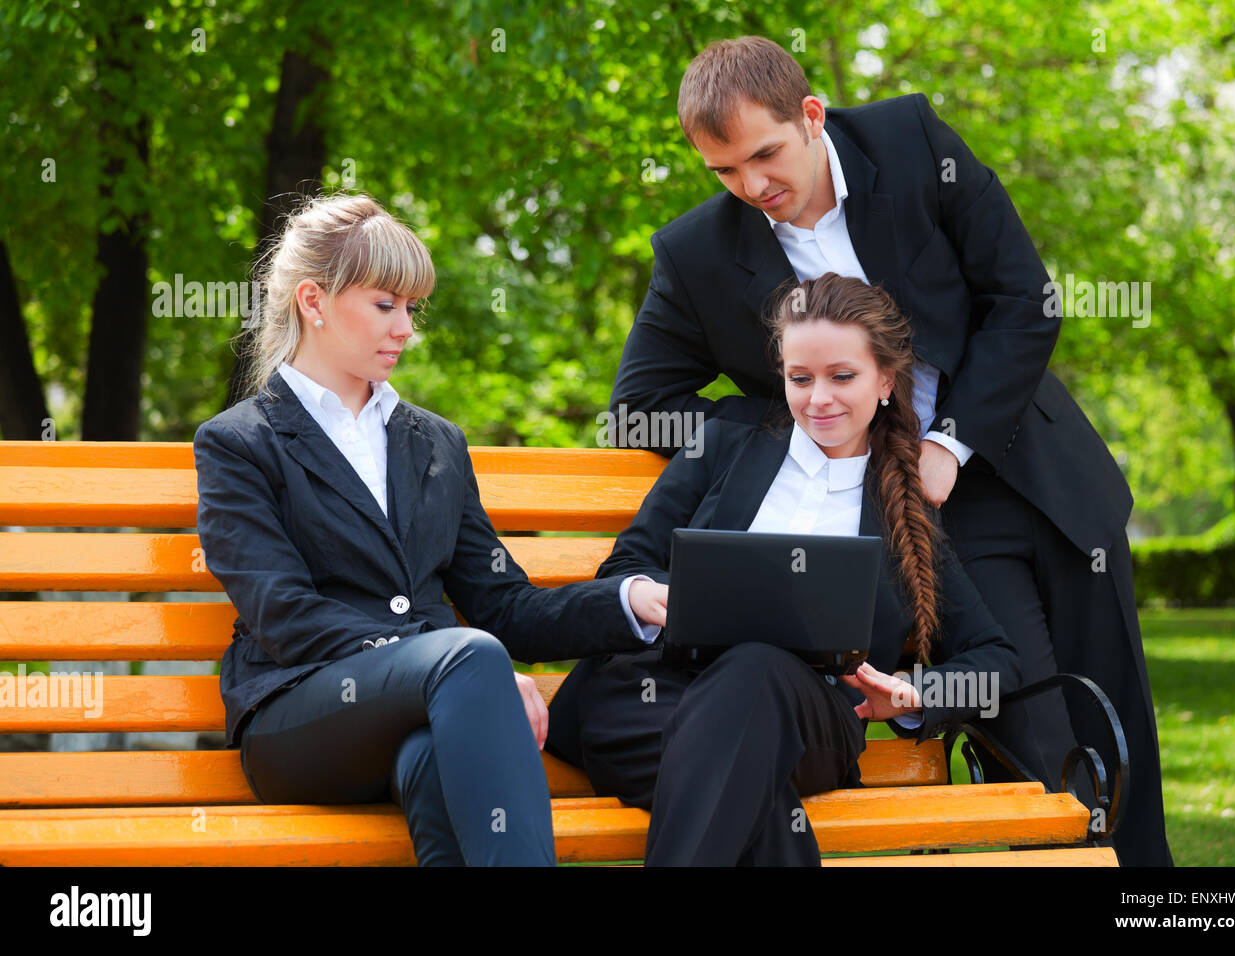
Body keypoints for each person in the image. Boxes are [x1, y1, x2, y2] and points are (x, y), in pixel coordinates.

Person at [607, 36, 1171, 866]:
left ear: (809, 115)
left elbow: (1025, 300)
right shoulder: (694, 255)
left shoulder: (909, 144)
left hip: (1038, 472)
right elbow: (638, 410)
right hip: (927, 526)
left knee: (1118, 728)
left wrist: (947, 440)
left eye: (765, 154)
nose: (753, 186)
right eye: (724, 170)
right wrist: (815, 415)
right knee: (1043, 756)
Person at [193, 193, 664, 866]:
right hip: (298, 715)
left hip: (424, 717)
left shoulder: (437, 443)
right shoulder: (240, 443)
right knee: (468, 662)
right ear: (314, 301)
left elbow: (503, 605)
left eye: (411, 308)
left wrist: (626, 600)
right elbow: (284, 614)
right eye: (386, 304)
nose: (405, 329)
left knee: (434, 758)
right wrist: (448, 659)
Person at [546, 273, 1022, 866]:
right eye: (801, 379)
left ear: (884, 382)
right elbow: (628, 564)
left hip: (811, 722)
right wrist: (655, 596)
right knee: (741, 781)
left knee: (756, 668)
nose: (818, 398)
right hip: (653, 698)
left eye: (841, 377)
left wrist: (913, 694)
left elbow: (996, 658)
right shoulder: (727, 437)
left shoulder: (906, 514)